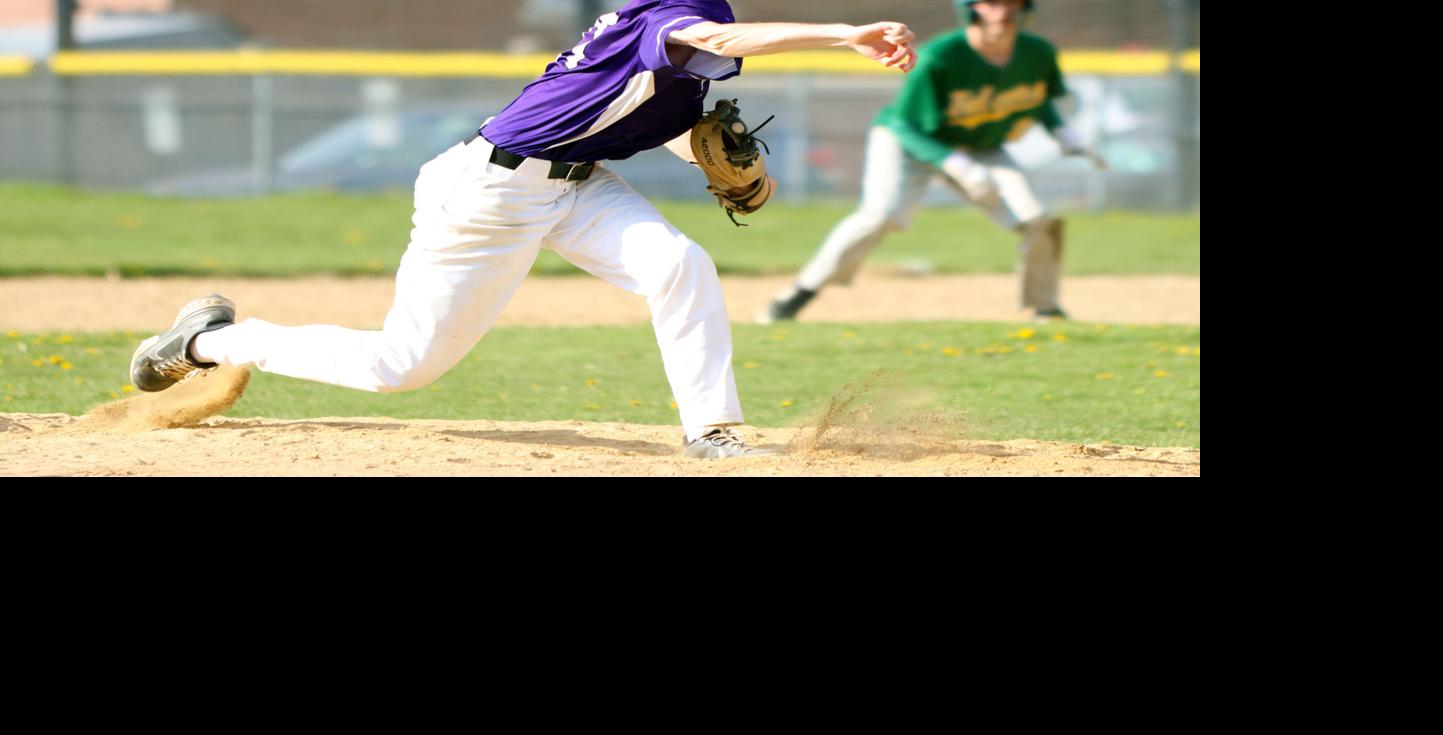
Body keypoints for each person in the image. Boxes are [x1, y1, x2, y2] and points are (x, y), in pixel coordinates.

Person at [128, 0, 916, 459]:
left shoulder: (707, 15)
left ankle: (711, 431)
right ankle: (204, 342)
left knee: (679, 262)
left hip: (579, 188)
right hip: (486, 193)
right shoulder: (663, 13)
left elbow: (672, 110)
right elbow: (712, 43)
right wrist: (844, 34)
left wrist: (723, 166)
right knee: (400, 366)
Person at [759, 0, 1104, 325]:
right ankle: (799, 293)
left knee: (1038, 219)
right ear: (971, 8)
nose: (1002, 12)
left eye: (1010, 2)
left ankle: (1045, 308)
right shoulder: (941, 56)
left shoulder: (1036, 52)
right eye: (991, 2)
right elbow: (903, 124)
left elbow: (1035, 96)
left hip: (981, 147)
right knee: (880, 216)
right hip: (908, 143)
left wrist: (1063, 134)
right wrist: (954, 162)